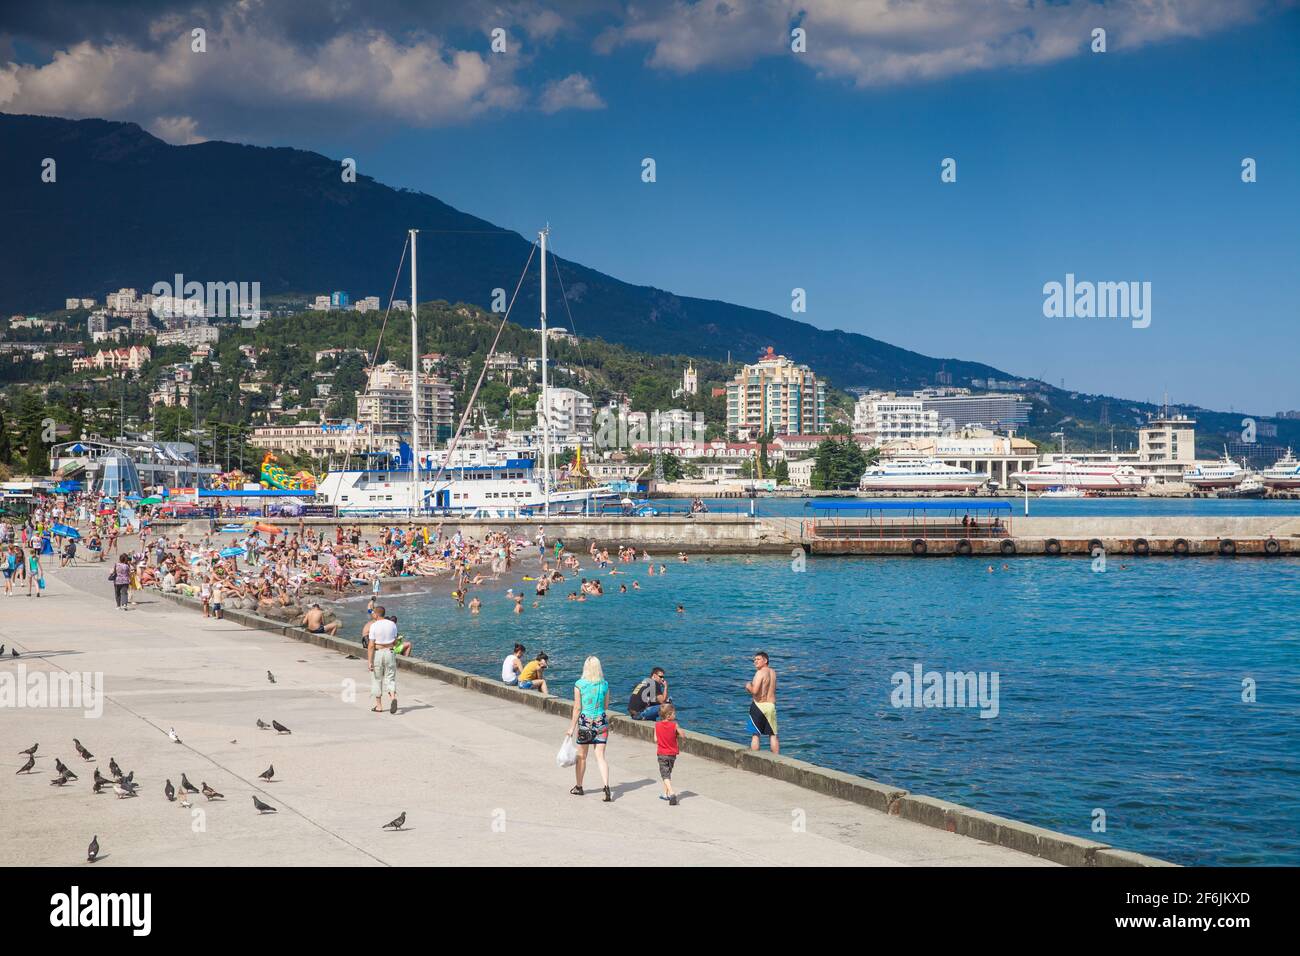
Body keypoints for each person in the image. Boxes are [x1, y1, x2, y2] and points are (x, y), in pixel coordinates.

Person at [566, 655, 611, 801]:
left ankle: (579, 786)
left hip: (585, 723)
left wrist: (571, 728)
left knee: (582, 757)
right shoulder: (604, 684)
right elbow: (605, 706)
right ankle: (606, 786)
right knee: (600, 757)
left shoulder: (579, 684)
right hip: (601, 722)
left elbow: (577, 708)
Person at [367, 604, 399, 714]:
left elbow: (371, 645)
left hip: (378, 653)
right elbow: (395, 641)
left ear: (376, 614)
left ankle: (379, 706)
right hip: (390, 652)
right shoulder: (392, 624)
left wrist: (370, 661)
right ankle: (393, 697)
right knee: (390, 677)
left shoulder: (374, 626)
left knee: (377, 679)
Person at [745, 651, 779, 754]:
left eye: (758, 659)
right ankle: (776, 759)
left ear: (765, 660)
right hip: (771, 706)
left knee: (756, 734)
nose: (755, 661)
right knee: (773, 734)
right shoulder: (773, 672)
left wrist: (748, 686)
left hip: (759, 705)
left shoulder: (760, 673)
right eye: (754, 660)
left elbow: (755, 691)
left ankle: (755, 758)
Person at [656, 702, 682, 806]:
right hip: (672, 754)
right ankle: (665, 794)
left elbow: (655, 739)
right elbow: (682, 734)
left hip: (662, 753)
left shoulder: (657, 725)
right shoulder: (675, 725)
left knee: (664, 774)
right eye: (674, 714)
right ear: (668, 715)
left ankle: (671, 793)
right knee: (668, 773)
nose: (675, 716)